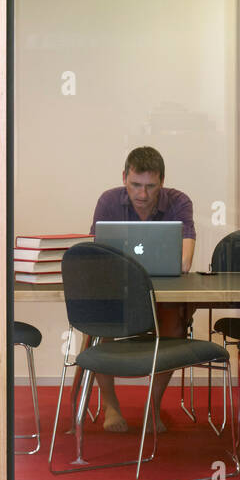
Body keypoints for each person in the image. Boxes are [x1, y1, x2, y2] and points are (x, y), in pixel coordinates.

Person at [88, 146, 196, 434]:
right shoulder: (108, 201)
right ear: (124, 177)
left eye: (151, 186)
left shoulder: (179, 202)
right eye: (136, 185)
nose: (143, 194)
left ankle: (153, 405)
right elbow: (95, 257)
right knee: (100, 322)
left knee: (175, 326)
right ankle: (111, 405)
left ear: (162, 180)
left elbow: (185, 261)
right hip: (117, 291)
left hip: (164, 294)